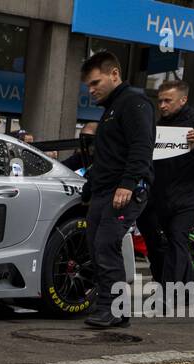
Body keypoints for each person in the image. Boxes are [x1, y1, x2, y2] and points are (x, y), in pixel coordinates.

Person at [78, 50, 154, 329]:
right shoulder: (111, 109)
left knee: (106, 246)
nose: (91, 90)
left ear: (114, 74)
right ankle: (114, 310)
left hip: (123, 191)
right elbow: (108, 156)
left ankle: (111, 309)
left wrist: (128, 184)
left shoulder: (134, 102)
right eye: (88, 85)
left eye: (95, 83)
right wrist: (90, 187)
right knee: (95, 248)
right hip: (103, 191)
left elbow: (142, 147)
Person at [135, 79, 194, 285]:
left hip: (188, 197)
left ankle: (172, 289)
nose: (162, 105)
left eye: (168, 100)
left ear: (183, 100)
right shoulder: (157, 126)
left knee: (177, 238)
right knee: (162, 243)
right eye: (160, 101)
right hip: (159, 196)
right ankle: (182, 283)